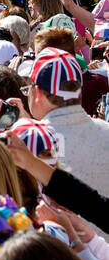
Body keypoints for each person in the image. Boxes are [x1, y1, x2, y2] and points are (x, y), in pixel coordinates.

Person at [25, 47, 109, 197]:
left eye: (28, 87)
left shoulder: (33, 141)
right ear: (80, 91)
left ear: (37, 92)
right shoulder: (107, 131)